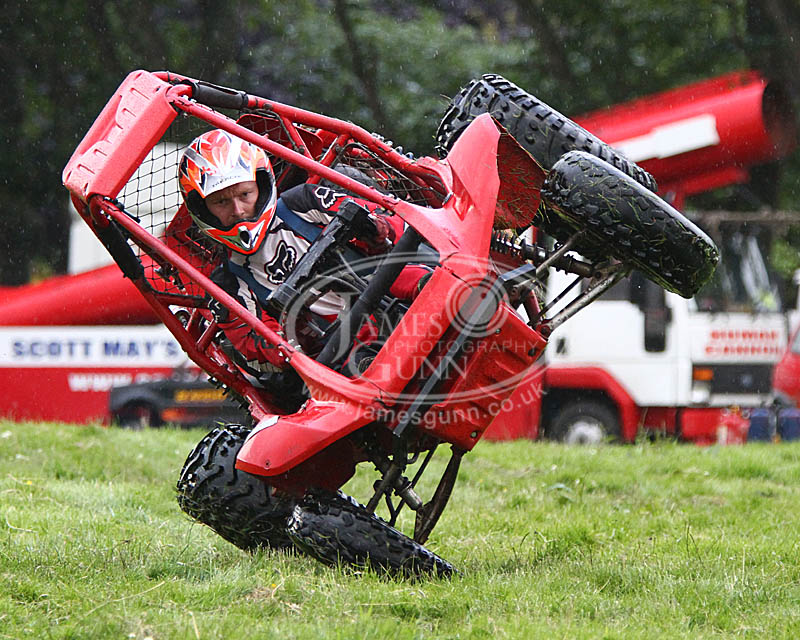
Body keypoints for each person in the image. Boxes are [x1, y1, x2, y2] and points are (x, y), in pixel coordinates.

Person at [178, 129, 426, 396]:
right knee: (346, 373)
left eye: (244, 194)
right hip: (337, 354)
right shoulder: (227, 282)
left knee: (424, 280)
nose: (237, 210)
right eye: (221, 202)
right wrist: (293, 337)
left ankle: (456, 310)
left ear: (260, 185)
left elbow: (394, 226)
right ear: (203, 208)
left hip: (386, 290)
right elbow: (258, 348)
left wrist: (376, 230)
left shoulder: (301, 201)